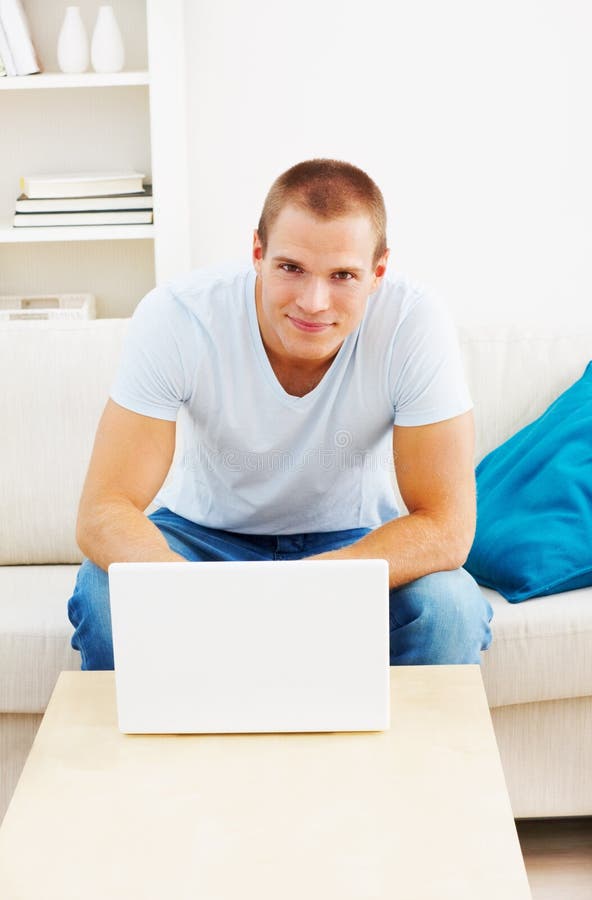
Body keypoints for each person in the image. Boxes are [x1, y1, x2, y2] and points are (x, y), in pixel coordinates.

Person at [68, 158, 493, 670]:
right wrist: (184, 592)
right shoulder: (178, 316)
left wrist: (306, 586)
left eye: (343, 276)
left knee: (451, 610)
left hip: (355, 541)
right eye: (291, 268)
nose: (314, 302)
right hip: (202, 538)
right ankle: (155, 751)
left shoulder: (415, 323)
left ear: (378, 273)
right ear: (258, 253)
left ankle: (406, 754)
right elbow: (104, 509)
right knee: (102, 591)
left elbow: (447, 526)